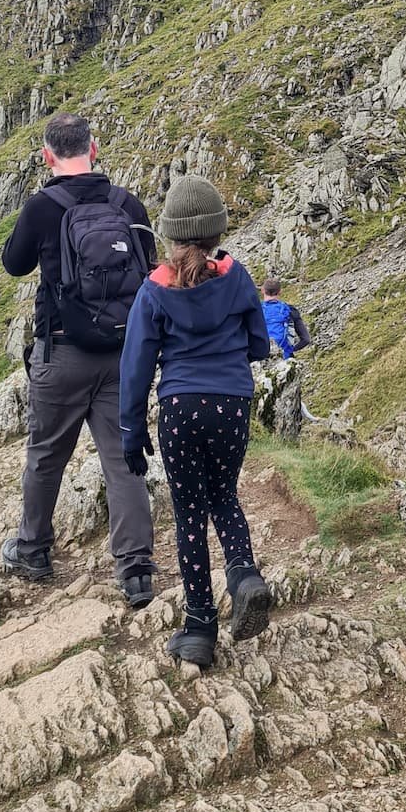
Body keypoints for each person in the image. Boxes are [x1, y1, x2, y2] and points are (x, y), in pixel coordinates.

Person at [0, 112, 157, 605]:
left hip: (62, 351)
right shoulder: (126, 203)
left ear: (48, 155)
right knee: (122, 460)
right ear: (95, 147)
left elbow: (14, 264)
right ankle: (135, 572)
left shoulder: (42, 207)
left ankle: (33, 550)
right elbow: (151, 270)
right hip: (121, 355)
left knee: (46, 455)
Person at [119, 176, 273, 670]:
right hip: (232, 404)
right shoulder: (239, 277)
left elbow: (136, 363)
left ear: (169, 234)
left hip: (181, 408)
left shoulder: (154, 290)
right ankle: (245, 575)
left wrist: (130, 427)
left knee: (190, 513)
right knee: (224, 496)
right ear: (215, 231)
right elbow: (259, 346)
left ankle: (200, 627)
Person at [261, 278, 312, 360]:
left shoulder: (255, 311)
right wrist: (290, 350)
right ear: (280, 292)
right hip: (285, 358)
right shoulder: (290, 310)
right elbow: (306, 339)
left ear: (262, 290)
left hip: (260, 359)